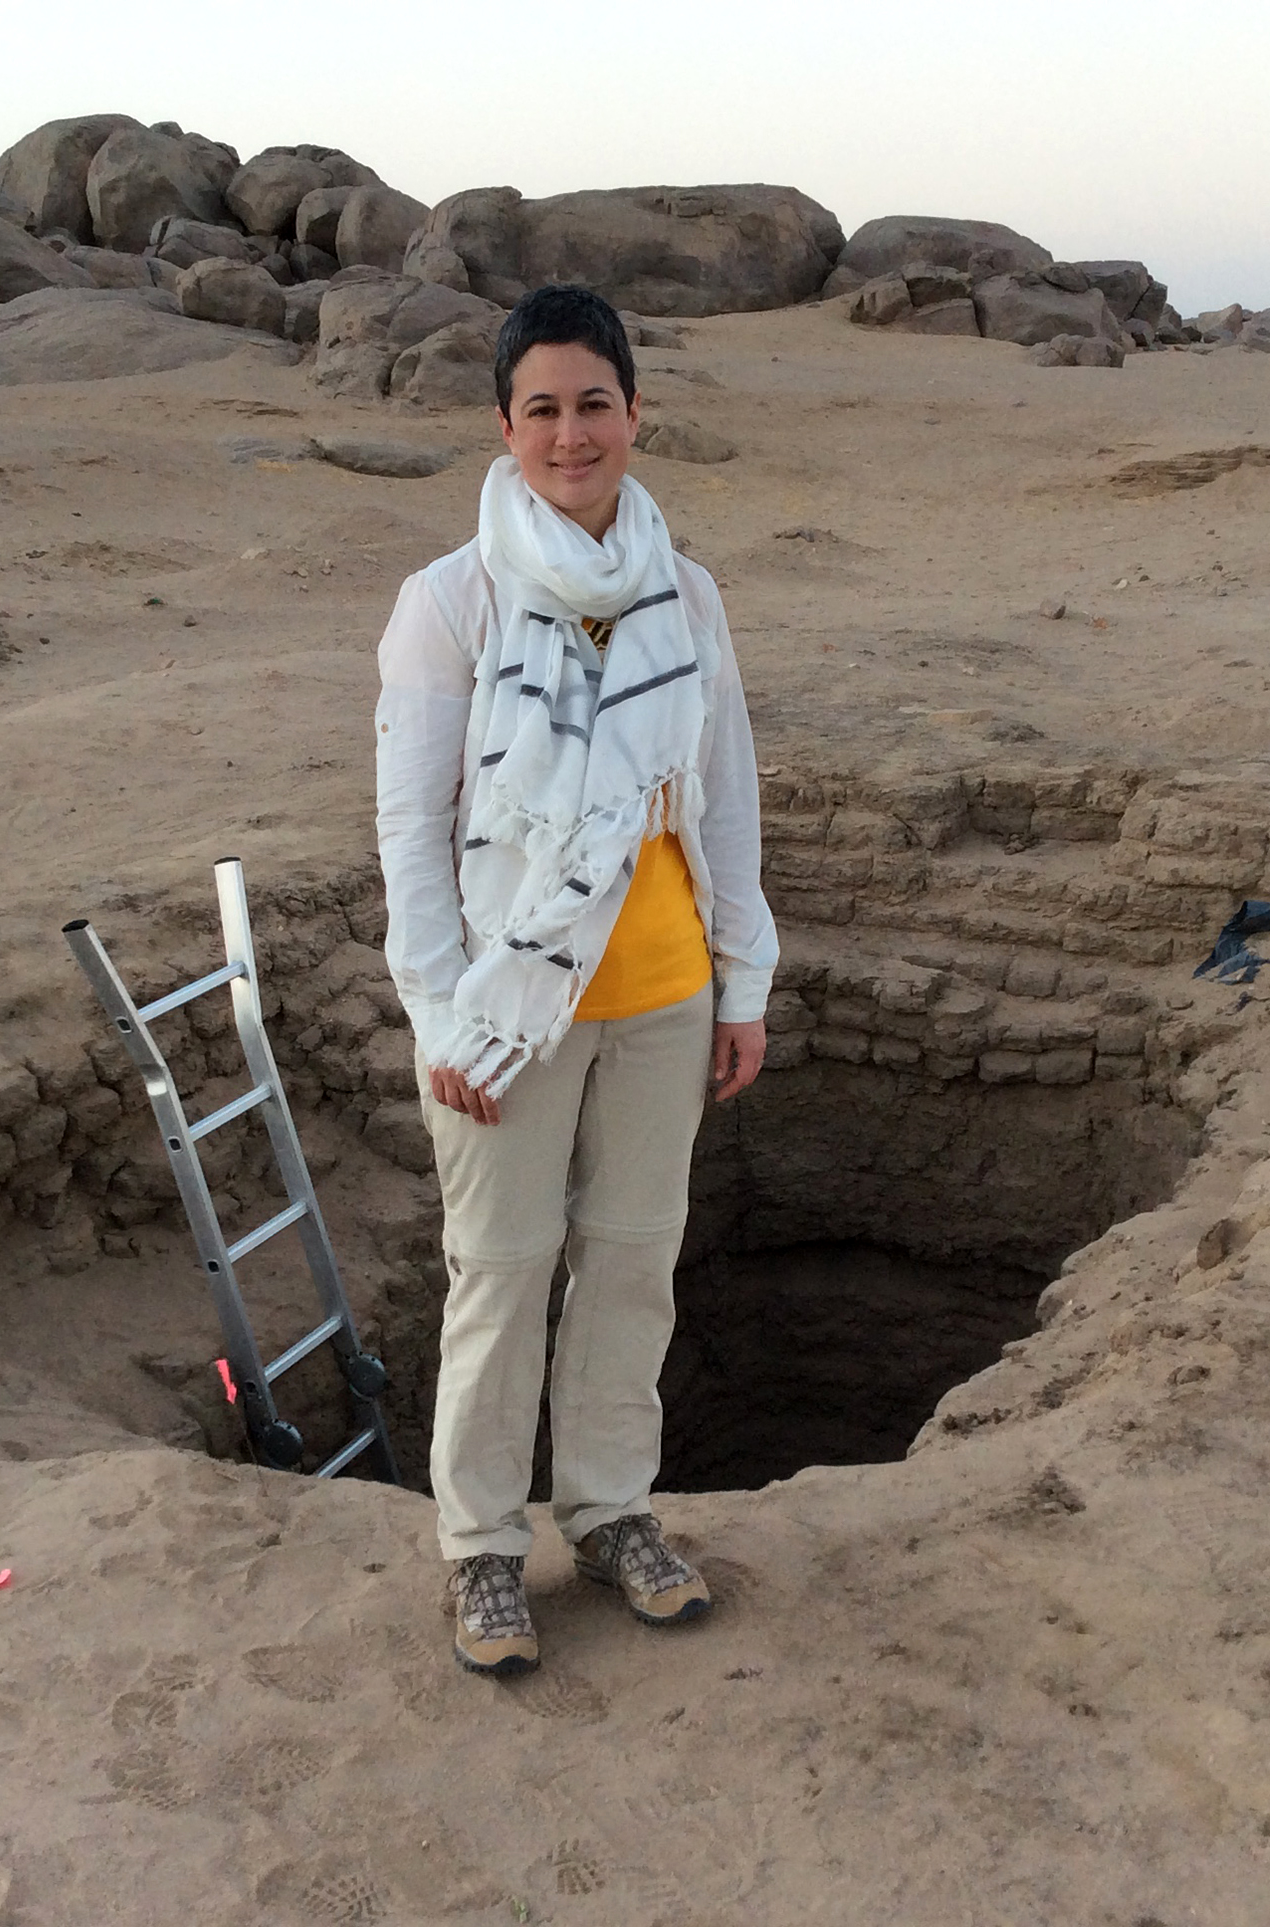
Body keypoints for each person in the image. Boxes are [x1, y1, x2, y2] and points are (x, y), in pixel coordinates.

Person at [372, 284, 778, 1677]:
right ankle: (484, 1548)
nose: (570, 432)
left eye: (593, 402)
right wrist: (442, 1011)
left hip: (662, 996)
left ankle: (610, 1512)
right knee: (498, 1268)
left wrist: (742, 981)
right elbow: (410, 834)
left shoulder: (689, 594)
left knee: (630, 1265)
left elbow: (724, 801)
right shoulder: (450, 604)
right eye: (541, 407)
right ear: (504, 426)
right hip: (511, 1012)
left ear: (634, 412)